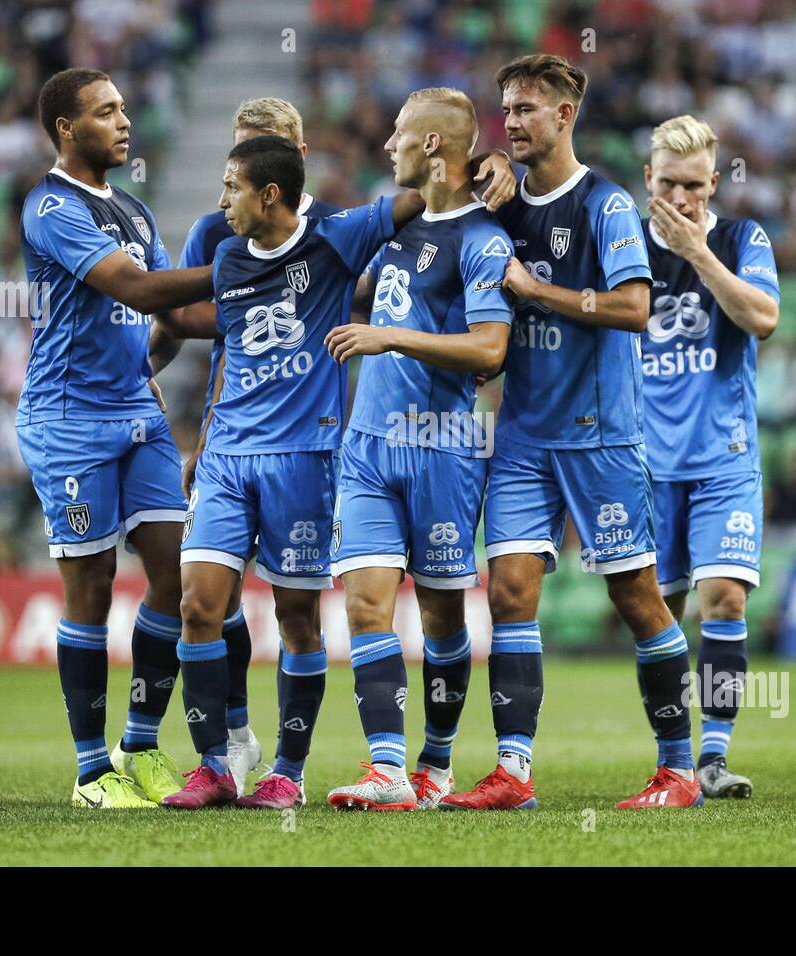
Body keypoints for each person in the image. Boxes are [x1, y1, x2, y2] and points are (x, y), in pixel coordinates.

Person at [444, 55, 702, 811]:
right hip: (523, 437)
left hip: (601, 437)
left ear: (565, 115)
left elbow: (633, 309)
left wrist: (536, 291)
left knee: (636, 599)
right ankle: (513, 772)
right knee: (511, 592)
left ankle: (678, 768)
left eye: (526, 108)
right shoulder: (499, 206)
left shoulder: (607, 205)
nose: (513, 122)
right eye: (507, 109)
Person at [161, 135, 428, 811]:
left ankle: (288, 771)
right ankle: (215, 765)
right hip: (227, 456)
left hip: (306, 460)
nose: (223, 202)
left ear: (269, 194)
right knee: (197, 604)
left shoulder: (336, 238)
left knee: (298, 620)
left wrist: (482, 168)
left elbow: (420, 199)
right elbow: (207, 332)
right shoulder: (223, 254)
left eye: (233, 188)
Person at [16, 68, 216, 809]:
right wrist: (238, 264)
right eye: (106, 112)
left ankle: (139, 745)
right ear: (68, 128)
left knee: (174, 576)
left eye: (125, 108)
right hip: (69, 420)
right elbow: (136, 290)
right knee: (92, 587)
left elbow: (178, 318)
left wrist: (285, 302)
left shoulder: (131, 209)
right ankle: (91, 771)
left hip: (139, 412)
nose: (124, 121)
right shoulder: (50, 206)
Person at [320, 88, 515, 811]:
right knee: (367, 604)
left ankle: (436, 762)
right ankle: (387, 770)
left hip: (443, 445)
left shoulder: (486, 241)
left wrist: (387, 336)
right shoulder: (396, 226)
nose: (386, 144)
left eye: (399, 132)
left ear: (433, 145)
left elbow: (491, 350)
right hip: (370, 445)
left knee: (439, 618)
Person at [640, 115, 781, 798]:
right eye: (668, 184)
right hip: (643, 466)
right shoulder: (619, 249)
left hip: (723, 458)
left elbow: (762, 318)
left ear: (713, 183)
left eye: (693, 186)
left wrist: (698, 253)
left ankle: (714, 757)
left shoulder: (739, 239)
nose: (680, 199)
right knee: (656, 618)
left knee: (722, 599)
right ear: (648, 179)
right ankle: (671, 760)